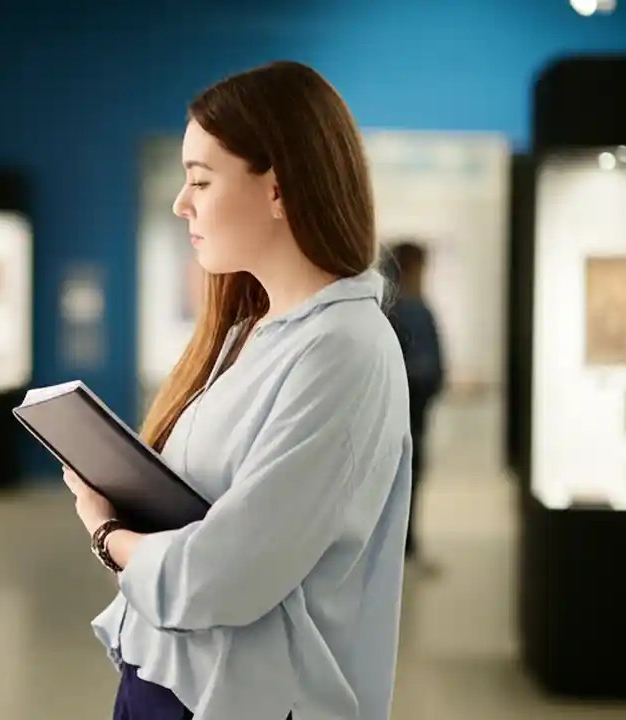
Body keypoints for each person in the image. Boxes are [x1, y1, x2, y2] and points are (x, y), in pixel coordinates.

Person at [60, 61, 413, 720]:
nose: (180, 203)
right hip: (166, 679)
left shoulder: (345, 349)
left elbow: (224, 575)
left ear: (277, 188)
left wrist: (106, 531)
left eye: (200, 179)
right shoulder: (246, 334)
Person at [382, 240, 445, 564]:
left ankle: (407, 545)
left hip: (414, 410)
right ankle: (400, 547)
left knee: (410, 475)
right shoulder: (402, 310)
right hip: (403, 412)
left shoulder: (412, 308)